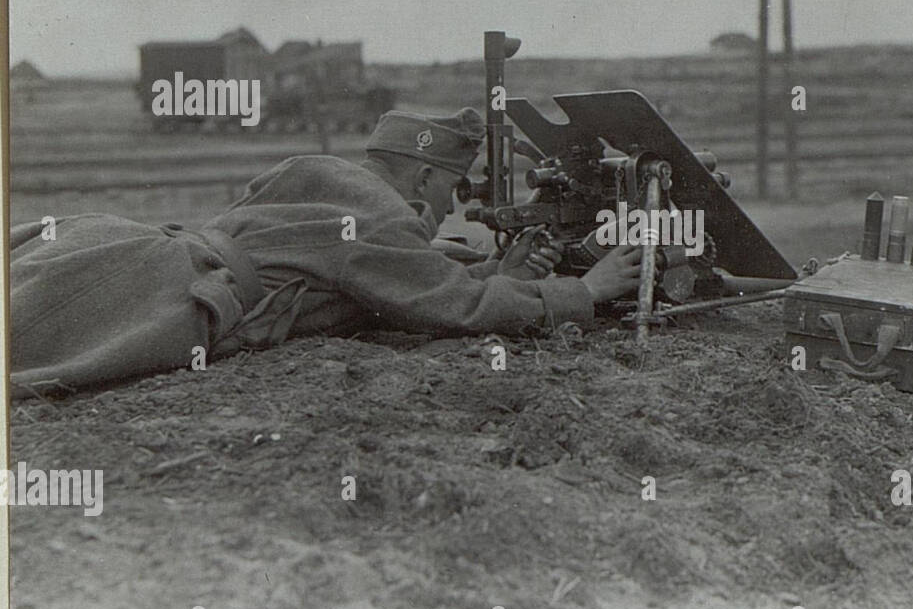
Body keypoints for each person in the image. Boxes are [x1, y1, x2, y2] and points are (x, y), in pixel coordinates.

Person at [10, 108, 642, 396]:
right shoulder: (382, 224)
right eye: (451, 188)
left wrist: (485, 268)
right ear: (422, 180)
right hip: (156, 297)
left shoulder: (316, 174)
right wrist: (588, 290)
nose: (453, 207)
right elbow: (453, 307)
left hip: (120, 245)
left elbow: (345, 267)